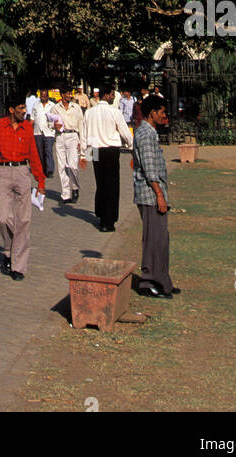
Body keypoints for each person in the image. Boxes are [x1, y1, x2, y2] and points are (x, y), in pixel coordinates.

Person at [0, 94, 46, 280]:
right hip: (3, 173)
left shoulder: (27, 127)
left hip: (22, 172)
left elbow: (33, 153)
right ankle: (9, 249)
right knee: (3, 219)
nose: (24, 111)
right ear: (11, 110)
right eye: (20, 108)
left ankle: (18, 266)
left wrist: (40, 180)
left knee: (24, 220)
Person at [133, 95, 178, 299]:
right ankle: (149, 281)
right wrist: (159, 195)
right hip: (150, 195)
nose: (163, 116)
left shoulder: (150, 133)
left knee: (161, 239)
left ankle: (163, 280)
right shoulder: (145, 134)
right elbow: (150, 169)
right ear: (152, 113)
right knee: (153, 239)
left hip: (155, 194)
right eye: (161, 112)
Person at [83, 85, 133, 232]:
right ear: (106, 95)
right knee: (112, 185)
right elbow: (125, 132)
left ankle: (100, 214)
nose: (113, 97)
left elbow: (84, 135)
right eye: (112, 94)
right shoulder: (114, 112)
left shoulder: (89, 113)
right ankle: (108, 221)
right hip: (111, 150)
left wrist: (84, 155)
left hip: (95, 150)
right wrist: (131, 147)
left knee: (100, 182)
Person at [48, 86, 84, 204]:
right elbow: (49, 122)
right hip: (60, 136)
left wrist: (81, 142)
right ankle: (65, 194)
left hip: (73, 136)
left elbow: (81, 125)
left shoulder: (76, 108)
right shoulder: (55, 108)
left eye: (70, 94)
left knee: (73, 165)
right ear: (62, 95)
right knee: (62, 165)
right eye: (67, 93)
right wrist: (54, 126)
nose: (70, 96)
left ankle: (75, 187)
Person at [31, 87, 57, 179]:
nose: (43, 97)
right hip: (37, 132)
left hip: (49, 132)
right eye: (42, 96)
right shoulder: (36, 105)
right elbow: (32, 119)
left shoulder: (53, 106)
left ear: (48, 96)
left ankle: (49, 170)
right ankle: (42, 169)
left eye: (45, 96)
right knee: (40, 152)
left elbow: (57, 119)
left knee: (48, 151)